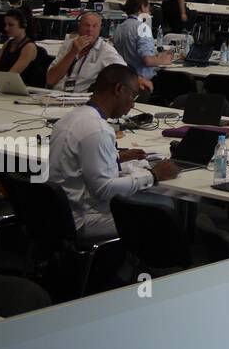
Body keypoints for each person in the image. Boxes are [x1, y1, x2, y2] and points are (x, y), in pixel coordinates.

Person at [48, 65, 181, 241]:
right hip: (81, 220)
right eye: (133, 95)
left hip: (56, 213)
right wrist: (153, 175)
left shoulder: (71, 118)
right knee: (163, 210)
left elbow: (81, 165)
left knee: (147, 198)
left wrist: (115, 157)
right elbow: (104, 190)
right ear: (119, 89)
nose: (133, 104)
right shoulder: (97, 129)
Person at [46, 12, 126, 92]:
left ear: (100, 29)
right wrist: (72, 53)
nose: (90, 30)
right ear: (79, 26)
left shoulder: (106, 51)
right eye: (86, 25)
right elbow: (50, 80)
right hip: (55, 95)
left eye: (94, 26)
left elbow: (125, 76)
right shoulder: (68, 45)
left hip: (81, 100)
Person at [110, 0, 173, 93]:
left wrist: (157, 56)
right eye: (148, 7)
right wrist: (163, 60)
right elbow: (147, 61)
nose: (149, 11)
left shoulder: (119, 28)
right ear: (142, 7)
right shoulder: (143, 28)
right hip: (143, 82)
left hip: (125, 80)